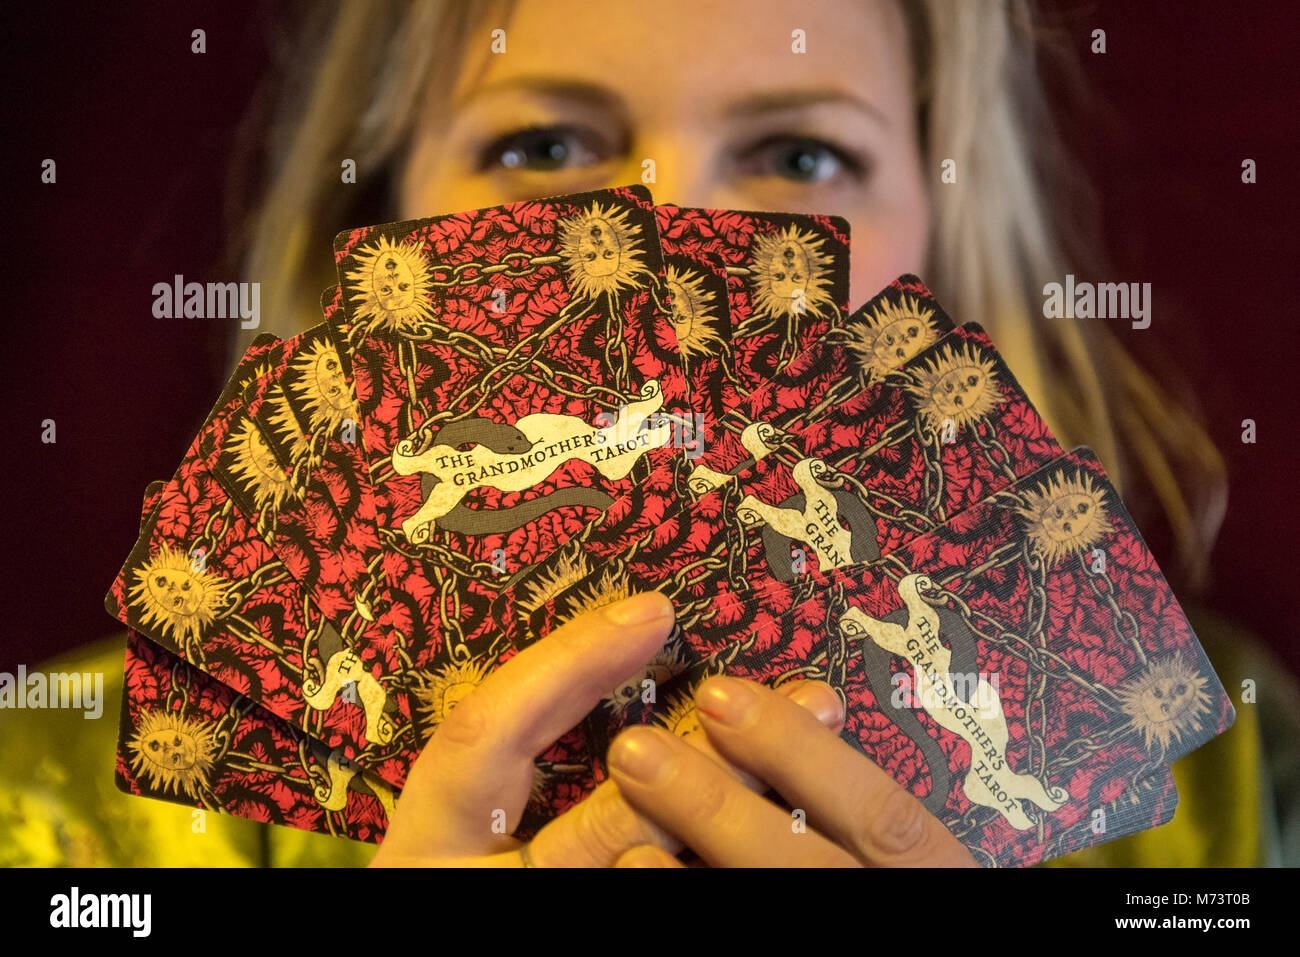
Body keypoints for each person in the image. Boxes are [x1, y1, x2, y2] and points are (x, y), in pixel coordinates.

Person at [3, 0, 1296, 867]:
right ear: (380, 229)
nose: (667, 240)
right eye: (545, 144)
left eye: (799, 158)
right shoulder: (57, 801)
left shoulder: (1234, 789)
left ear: (941, 243)